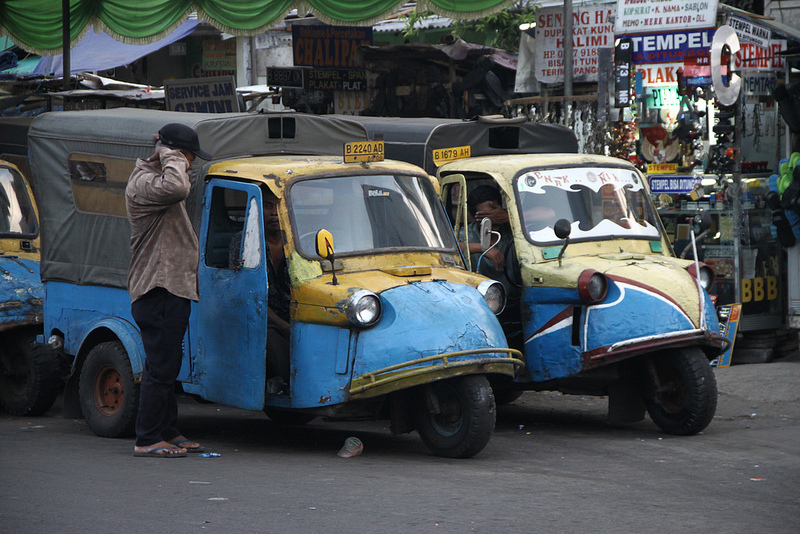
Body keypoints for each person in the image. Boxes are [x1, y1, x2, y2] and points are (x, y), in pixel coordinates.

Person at [126, 123, 212, 458]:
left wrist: (170, 155)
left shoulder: (157, 180)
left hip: (171, 288)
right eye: (188, 157)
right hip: (157, 288)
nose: (189, 165)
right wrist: (169, 153)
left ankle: (167, 430)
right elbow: (178, 187)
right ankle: (147, 438)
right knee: (161, 367)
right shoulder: (144, 183)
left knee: (168, 364)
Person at [263, 190, 291, 393]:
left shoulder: (296, 243)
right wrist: (283, 325)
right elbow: (248, 296)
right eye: (267, 206)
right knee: (271, 339)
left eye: (278, 206)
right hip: (264, 316)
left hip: (293, 312)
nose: (274, 213)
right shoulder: (244, 241)